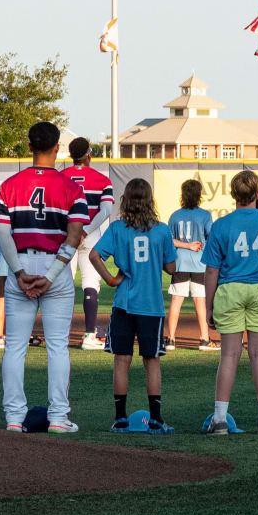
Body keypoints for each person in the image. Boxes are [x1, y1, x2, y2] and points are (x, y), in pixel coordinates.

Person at [0, 122, 89, 433]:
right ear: (57, 147)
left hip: (19, 261)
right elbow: (74, 237)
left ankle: (13, 418)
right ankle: (59, 417)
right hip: (55, 268)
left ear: (29, 147)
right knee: (58, 347)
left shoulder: (10, 184)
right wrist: (49, 275)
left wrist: (19, 272)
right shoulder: (71, 188)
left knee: (15, 347)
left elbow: (1, 232)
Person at [201, 170, 258, 436]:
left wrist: (208, 305)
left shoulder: (221, 225)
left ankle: (219, 419)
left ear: (233, 194)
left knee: (229, 355)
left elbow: (211, 271)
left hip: (229, 290)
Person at [89, 178, 177, 435]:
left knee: (121, 361)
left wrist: (110, 279)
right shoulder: (161, 230)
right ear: (150, 201)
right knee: (152, 362)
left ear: (126, 200)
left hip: (124, 304)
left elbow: (94, 255)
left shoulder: (117, 229)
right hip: (151, 306)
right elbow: (171, 267)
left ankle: (120, 419)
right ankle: (157, 420)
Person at [61, 137, 116, 350]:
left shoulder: (61, 177)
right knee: (90, 284)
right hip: (90, 235)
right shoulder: (102, 179)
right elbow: (106, 211)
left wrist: (72, 231)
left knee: (64, 285)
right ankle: (89, 336)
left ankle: (60, 335)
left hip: (67, 235)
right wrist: (86, 230)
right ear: (89, 155)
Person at [166, 179, 217, 352]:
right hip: (199, 263)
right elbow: (211, 238)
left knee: (176, 301)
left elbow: (169, 240)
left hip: (179, 262)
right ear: (198, 195)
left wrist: (185, 245)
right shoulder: (204, 215)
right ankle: (204, 339)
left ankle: (171, 339)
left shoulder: (175, 215)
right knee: (200, 302)